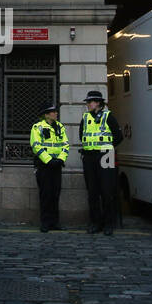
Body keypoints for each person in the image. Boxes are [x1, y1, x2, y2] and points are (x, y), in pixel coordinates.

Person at [79, 89, 124, 235]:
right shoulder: (85, 118)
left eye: (89, 102)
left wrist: (107, 147)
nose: (87, 104)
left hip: (106, 155)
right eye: (87, 102)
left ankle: (108, 224)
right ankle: (95, 223)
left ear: (97, 103)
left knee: (107, 190)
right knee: (92, 191)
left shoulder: (108, 116)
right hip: (90, 156)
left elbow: (118, 136)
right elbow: (82, 135)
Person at [29, 100, 69, 232]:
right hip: (44, 166)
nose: (56, 113)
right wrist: (48, 160)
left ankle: (55, 222)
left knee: (55, 194)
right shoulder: (37, 127)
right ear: (46, 114)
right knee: (46, 194)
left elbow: (65, 145)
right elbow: (36, 146)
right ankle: (45, 222)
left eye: (55, 111)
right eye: (53, 111)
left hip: (57, 165)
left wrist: (60, 159)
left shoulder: (60, 127)